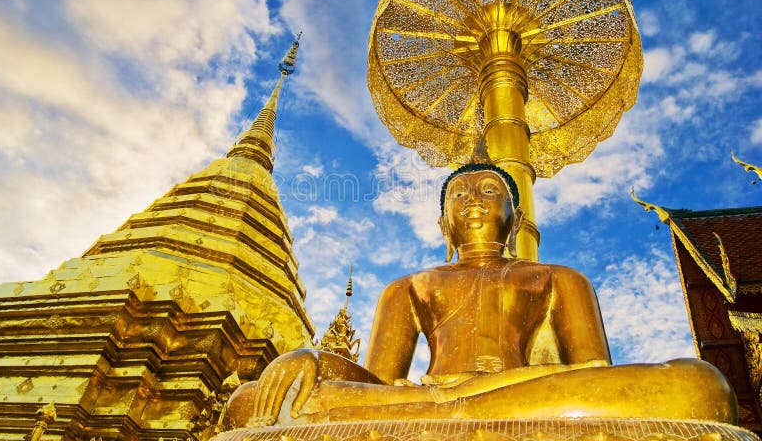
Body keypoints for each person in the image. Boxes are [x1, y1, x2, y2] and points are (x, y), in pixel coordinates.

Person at [227, 163, 736, 428]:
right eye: (459, 194)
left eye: (490, 191)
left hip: (524, 390)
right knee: (251, 402)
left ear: (516, 218)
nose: (473, 200)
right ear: (442, 223)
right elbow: (376, 382)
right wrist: (313, 360)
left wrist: (498, 387)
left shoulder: (560, 278)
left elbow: (592, 373)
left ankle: (450, 415)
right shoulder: (408, 287)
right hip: (427, 395)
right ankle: (456, 413)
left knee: (700, 386)